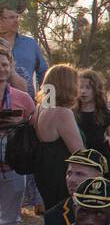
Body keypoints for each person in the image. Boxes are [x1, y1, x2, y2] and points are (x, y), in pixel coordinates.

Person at [0, 47, 36, 225]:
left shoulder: (22, 98)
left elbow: (36, 130)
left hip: (13, 169)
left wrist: (20, 126)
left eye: (5, 64)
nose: (2, 69)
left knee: (11, 221)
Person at [41, 148, 110, 225]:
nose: (71, 179)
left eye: (79, 174)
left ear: (99, 177)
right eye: (69, 173)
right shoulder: (54, 216)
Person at [32, 63, 84, 209]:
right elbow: (79, 152)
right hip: (62, 174)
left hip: (44, 172)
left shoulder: (40, 109)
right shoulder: (62, 113)